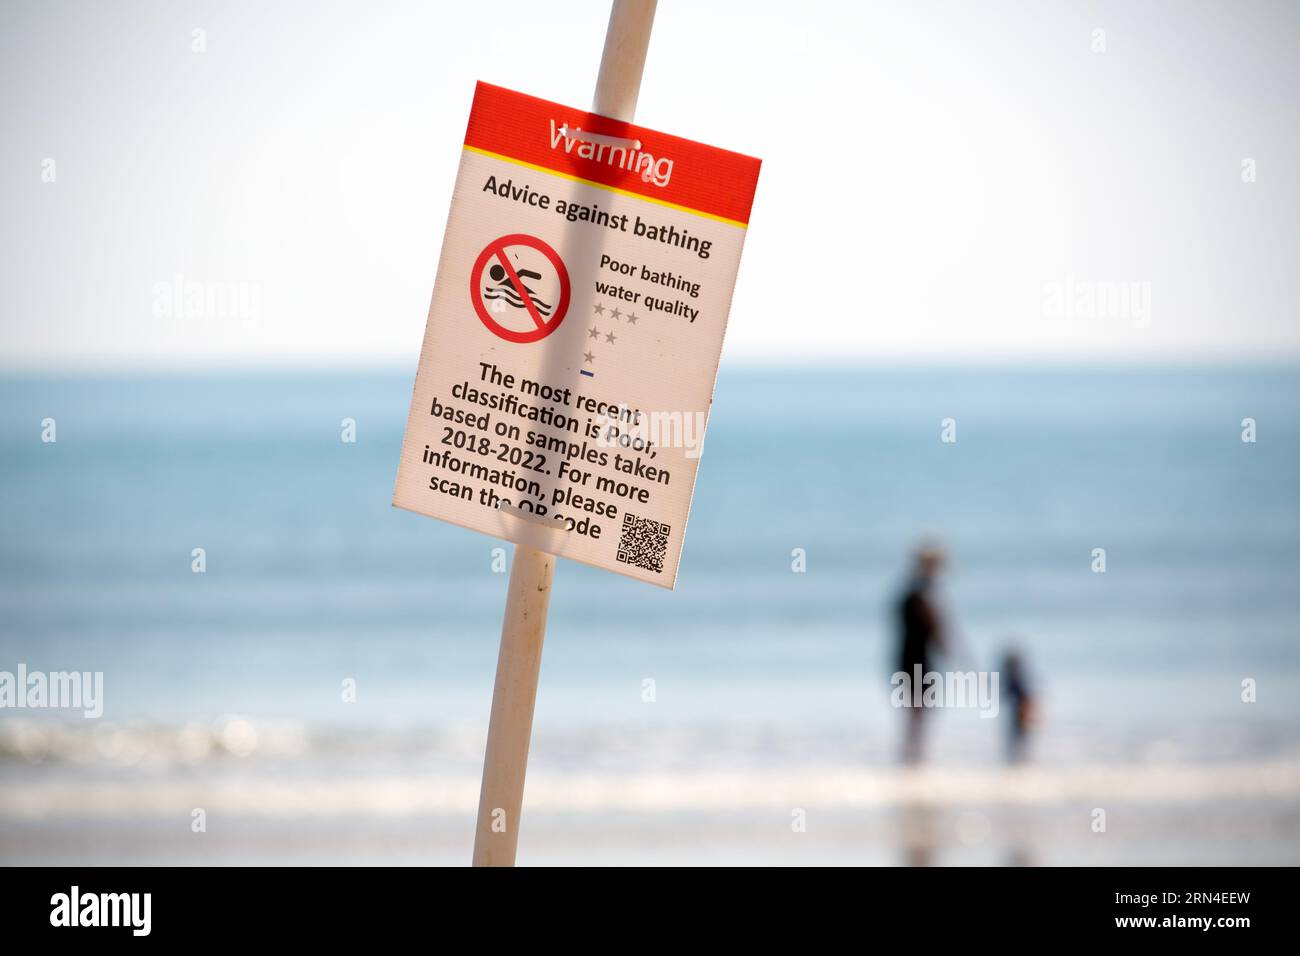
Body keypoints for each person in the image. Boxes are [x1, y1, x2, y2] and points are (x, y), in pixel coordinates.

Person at [896, 542, 948, 763]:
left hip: (914, 659)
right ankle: (913, 757)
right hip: (914, 661)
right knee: (917, 711)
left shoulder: (920, 594)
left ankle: (914, 756)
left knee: (918, 711)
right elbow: (932, 629)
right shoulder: (917, 597)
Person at [1001, 648, 1036, 763]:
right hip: (1019, 712)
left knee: (1017, 738)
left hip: (1020, 713)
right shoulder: (1017, 677)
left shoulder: (1014, 677)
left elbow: (1021, 696)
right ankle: (1018, 761)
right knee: (1019, 739)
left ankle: (1017, 762)